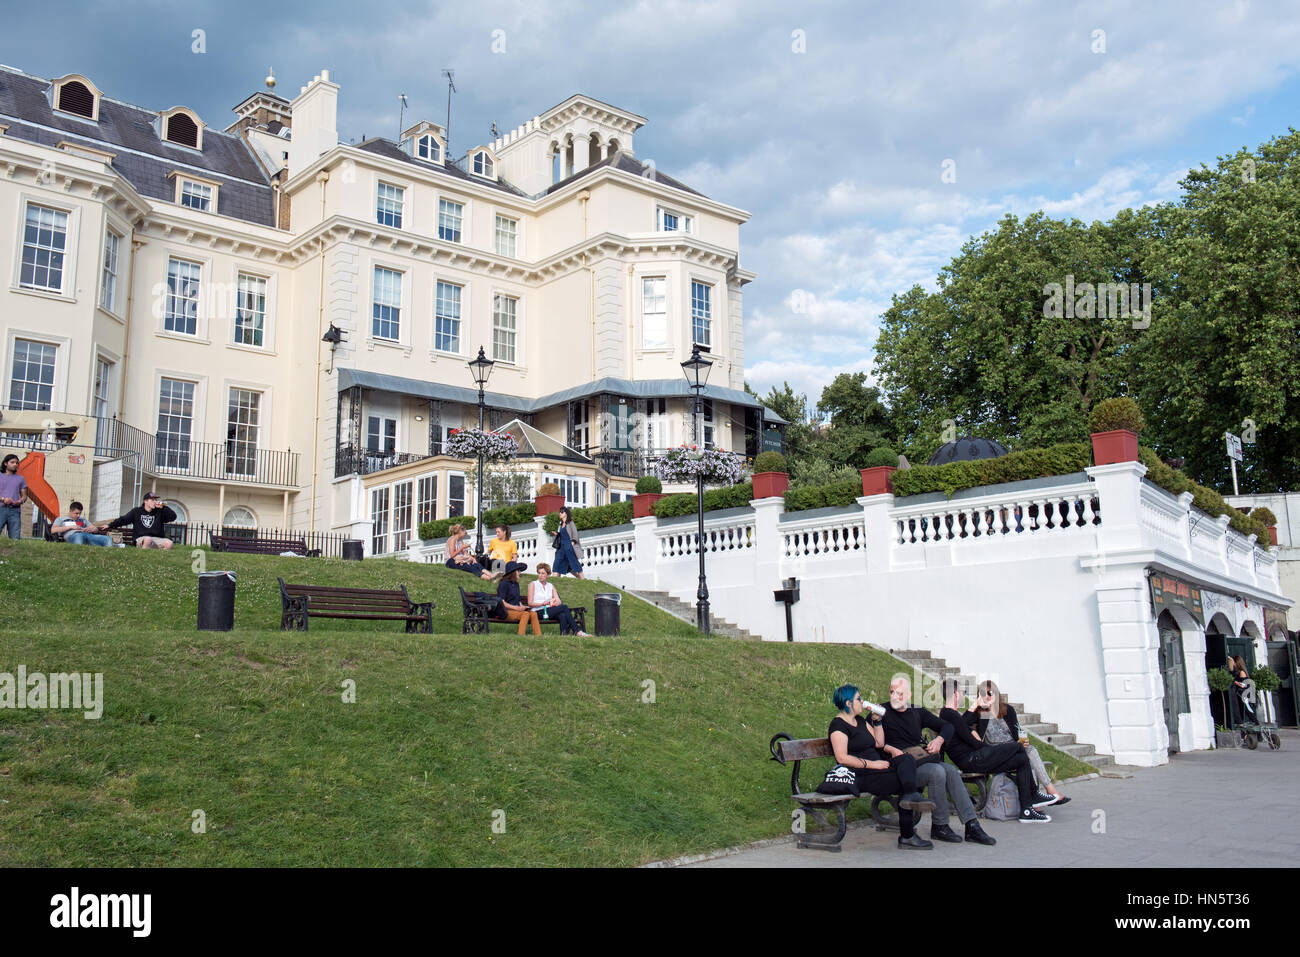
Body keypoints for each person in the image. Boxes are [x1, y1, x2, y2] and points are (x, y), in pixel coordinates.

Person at [878, 675, 996, 845]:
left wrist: (939, 740)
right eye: (892, 692)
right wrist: (888, 749)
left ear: (909, 695)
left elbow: (947, 726)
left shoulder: (916, 711)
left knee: (949, 770)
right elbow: (872, 741)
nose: (895, 697)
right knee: (937, 771)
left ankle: (972, 825)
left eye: (900, 693)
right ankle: (940, 826)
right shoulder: (881, 711)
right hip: (898, 767)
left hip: (917, 760)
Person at [827, 684, 935, 850]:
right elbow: (842, 758)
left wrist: (877, 722)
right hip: (861, 773)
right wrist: (873, 764)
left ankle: (911, 797)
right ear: (848, 703)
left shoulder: (861, 721)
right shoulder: (838, 725)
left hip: (876, 768)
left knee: (906, 759)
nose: (862, 702)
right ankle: (907, 834)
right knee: (902, 783)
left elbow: (879, 743)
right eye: (858, 699)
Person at [938, 677, 1052, 823]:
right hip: (972, 760)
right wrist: (994, 750)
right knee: (1018, 747)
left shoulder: (952, 715)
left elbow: (964, 728)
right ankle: (1034, 794)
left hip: (976, 757)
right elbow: (972, 740)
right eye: (961, 691)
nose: (962, 694)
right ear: (954, 694)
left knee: (1021, 760)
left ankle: (1027, 810)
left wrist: (974, 711)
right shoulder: (948, 713)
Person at [975, 679, 1068, 805]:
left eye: (991, 693)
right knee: (1026, 756)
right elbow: (970, 729)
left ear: (997, 694)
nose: (988, 697)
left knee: (1029, 751)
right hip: (996, 752)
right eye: (984, 694)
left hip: (1013, 747)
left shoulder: (1008, 710)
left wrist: (1022, 740)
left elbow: (1017, 732)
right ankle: (1042, 797)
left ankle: (1044, 794)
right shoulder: (980, 714)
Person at [527, 562, 590, 636]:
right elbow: (530, 603)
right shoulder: (533, 584)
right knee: (564, 607)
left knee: (562, 614)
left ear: (548, 575)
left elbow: (559, 601)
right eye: (539, 573)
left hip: (549, 610)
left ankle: (564, 635)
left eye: (543, 573)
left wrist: (554, 602)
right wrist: (542, 603)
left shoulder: (550, 586)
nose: (540, 575)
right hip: (538, 611)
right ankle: (577, 631)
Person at [100, 492, 176, 549]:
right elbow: (124, 520)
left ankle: (160, 558)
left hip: (157, 538)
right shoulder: (137, 511)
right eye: (152, 499)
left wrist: (163, 507)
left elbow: (173, 517)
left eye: (155, 499)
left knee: (169, 543)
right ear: (145, 501)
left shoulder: (160, 511)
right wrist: (110, 525)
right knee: (148, 540)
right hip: (141, 538)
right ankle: (143, 557)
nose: (155, 501)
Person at [494, 561, 541, 635]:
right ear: (513, 572)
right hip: (505, 611)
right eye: (518, 571)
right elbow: (502, 602)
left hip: (516, 610)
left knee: (533, 614)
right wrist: (516, 608)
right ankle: (521, 635)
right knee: (525, 614)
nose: (520, 573)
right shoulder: (504, 584)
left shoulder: (516, 584)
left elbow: (517, 600)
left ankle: (539, 636)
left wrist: (523, 607)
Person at [0, 453, 28, 539]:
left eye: (16, 463)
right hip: (1, 508)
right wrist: (3, 499)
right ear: (5, 463)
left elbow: (24, 496)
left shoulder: (21, 479)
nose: (15, 464)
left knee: (15, 537)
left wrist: (19, 501)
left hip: (15, 510)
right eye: (12, 462)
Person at [552, 507, 585, 579]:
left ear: (566, 514)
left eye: (562, 512)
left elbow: (575, 534)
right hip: (561, 547)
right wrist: (557, 534)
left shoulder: (570, 523)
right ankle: (554, 580)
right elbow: (562, 535)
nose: (560, 513)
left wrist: (572, 543)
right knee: (557, 561)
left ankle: (582, 579)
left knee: (574, 562)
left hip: (569, 546)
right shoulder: (561, 524)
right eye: (559, 512)